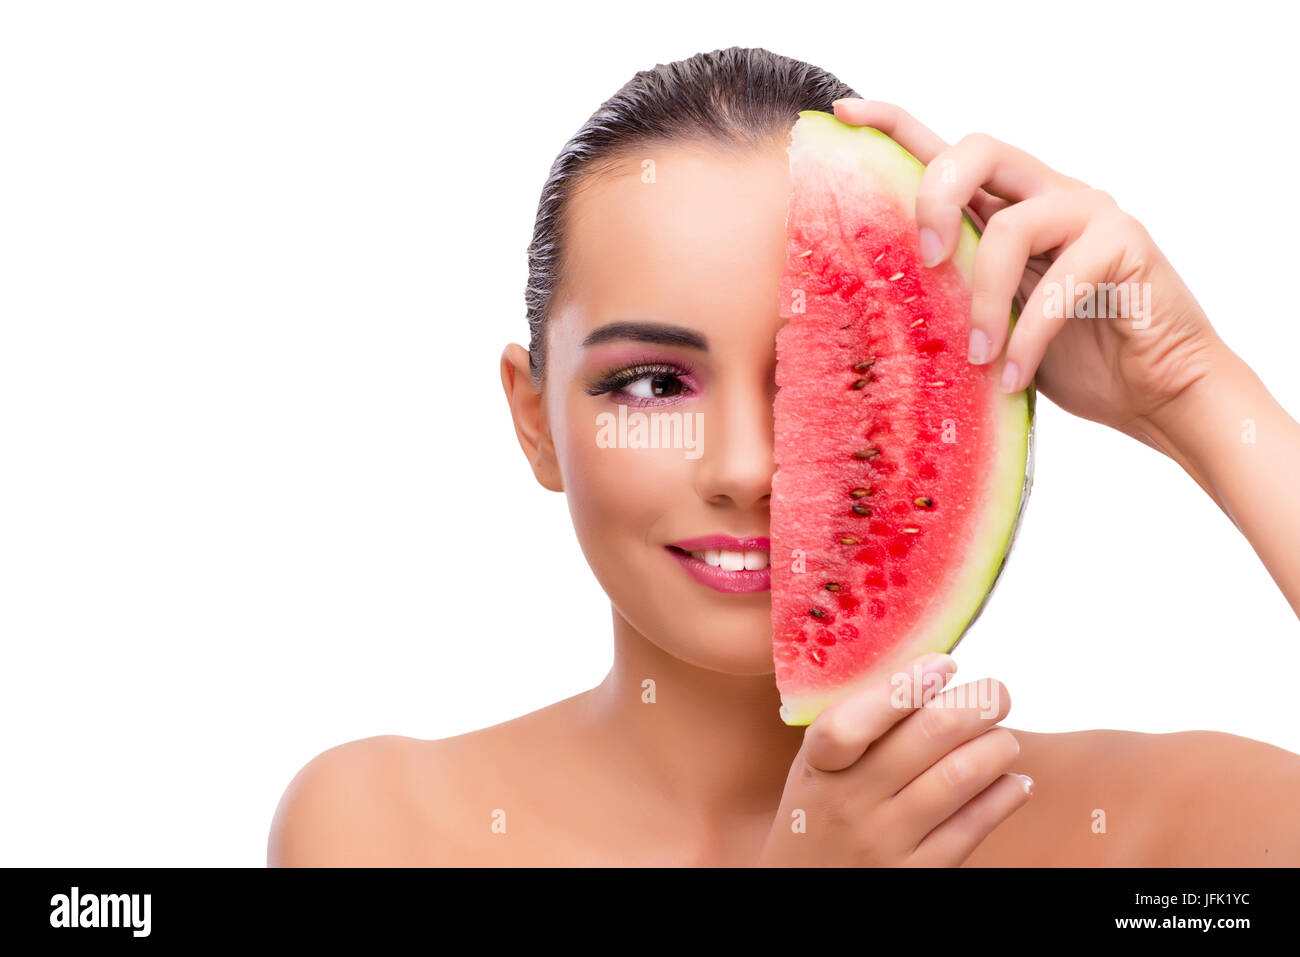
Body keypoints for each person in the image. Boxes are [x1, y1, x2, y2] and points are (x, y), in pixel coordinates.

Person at [268, 46, 1300, 867]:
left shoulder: (1171, 833)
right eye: (652, 383)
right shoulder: (384, 831)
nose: (749, 467)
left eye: (832, 383)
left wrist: (1191, 390)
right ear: (534, 420)